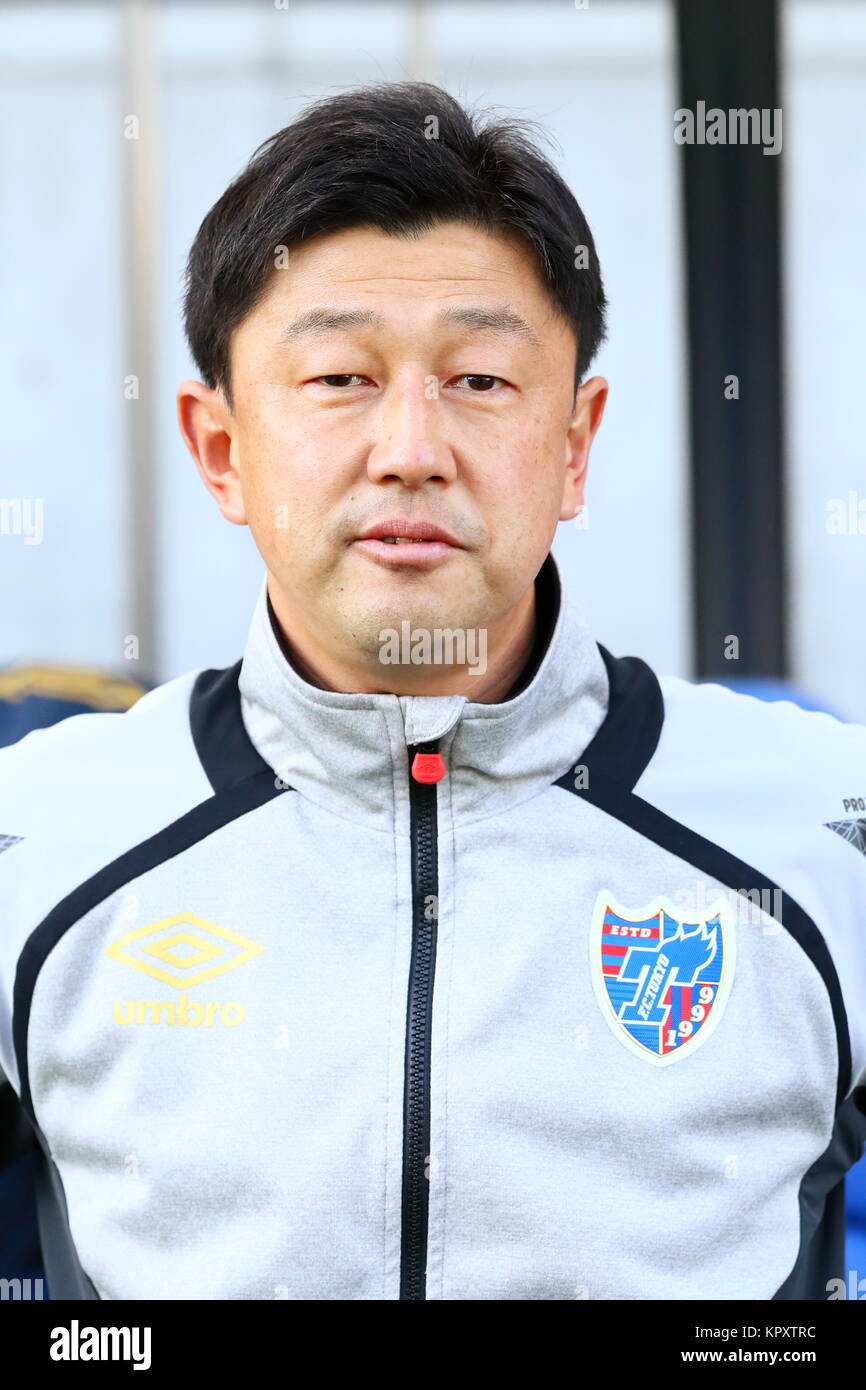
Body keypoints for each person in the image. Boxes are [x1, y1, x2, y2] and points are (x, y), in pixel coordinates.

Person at [1, 81, 864, 1302]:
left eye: (480, 380)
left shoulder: (824, 828)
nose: (410, 447)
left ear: (572, 446)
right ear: (219, 449)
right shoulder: (35, 839)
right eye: (339, 378)